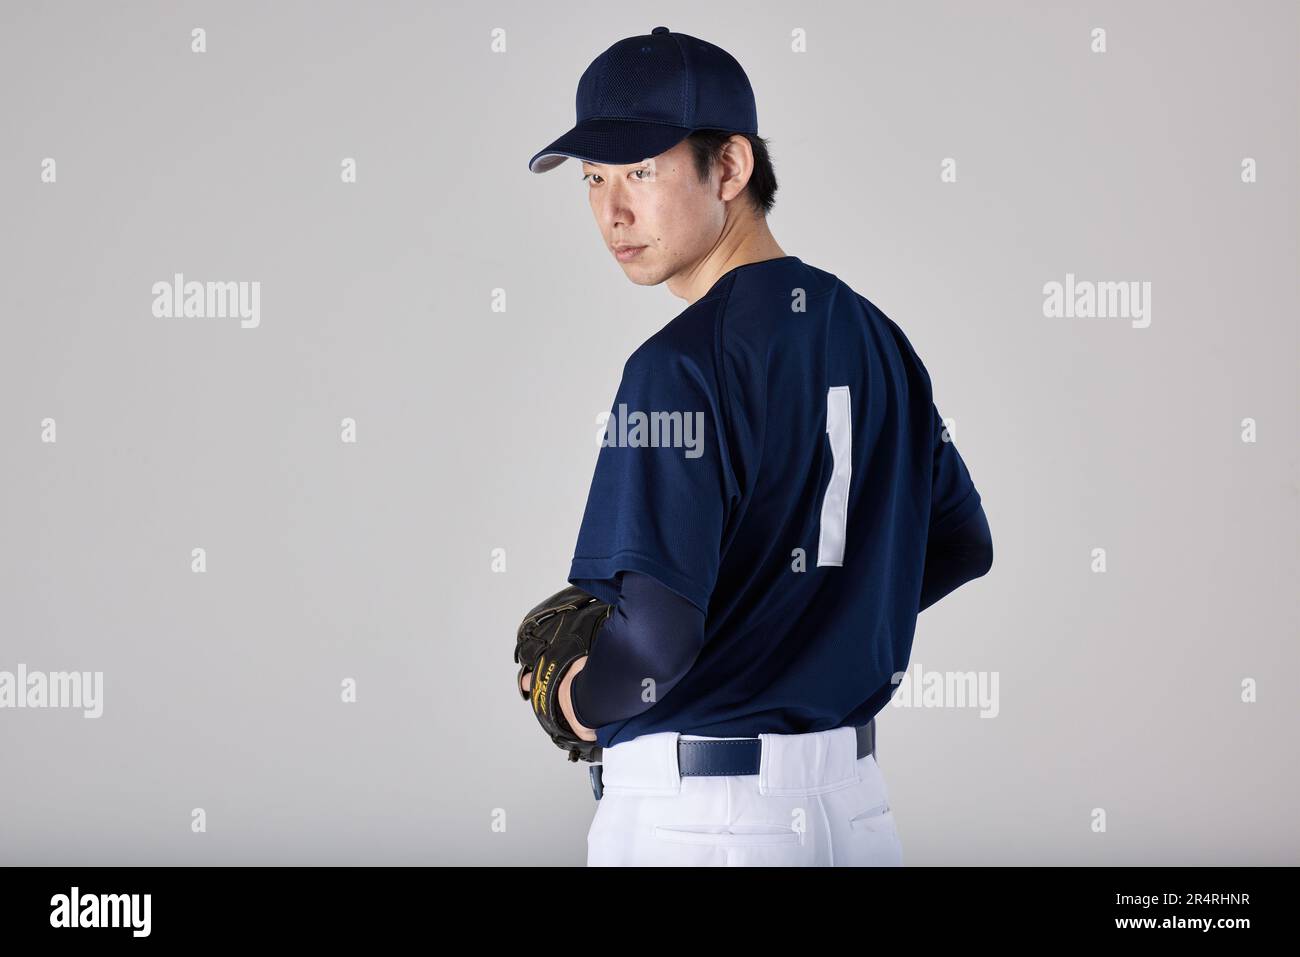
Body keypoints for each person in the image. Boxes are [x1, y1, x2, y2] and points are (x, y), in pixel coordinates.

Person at [520, 26, 993, 866]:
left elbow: (655, 650)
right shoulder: (878, 337)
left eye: (639, 171)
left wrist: (574, 698)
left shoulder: (677, 366)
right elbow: (961, 543)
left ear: (730, 168)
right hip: (854, 811)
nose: (610, 211)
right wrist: (800, 631)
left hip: (702, 824)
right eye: (593, 178)